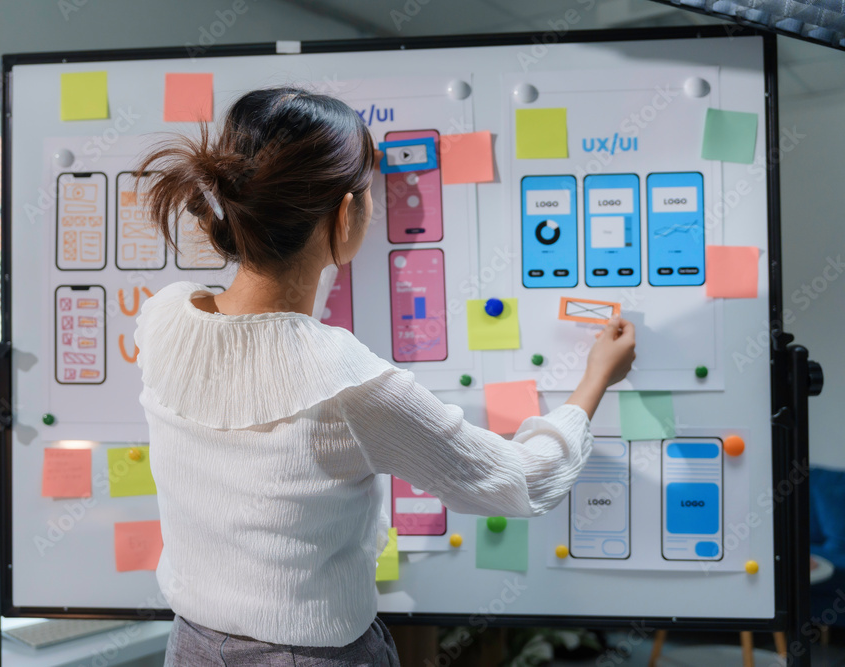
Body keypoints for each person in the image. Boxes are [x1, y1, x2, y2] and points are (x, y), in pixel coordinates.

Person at [133, 87, 636, 666]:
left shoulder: (164, 318)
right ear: (345, 214)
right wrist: (596, 380)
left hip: (191, 646)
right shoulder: (349, 384)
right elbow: (520, 480)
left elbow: (271, 332)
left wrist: (322, 222)